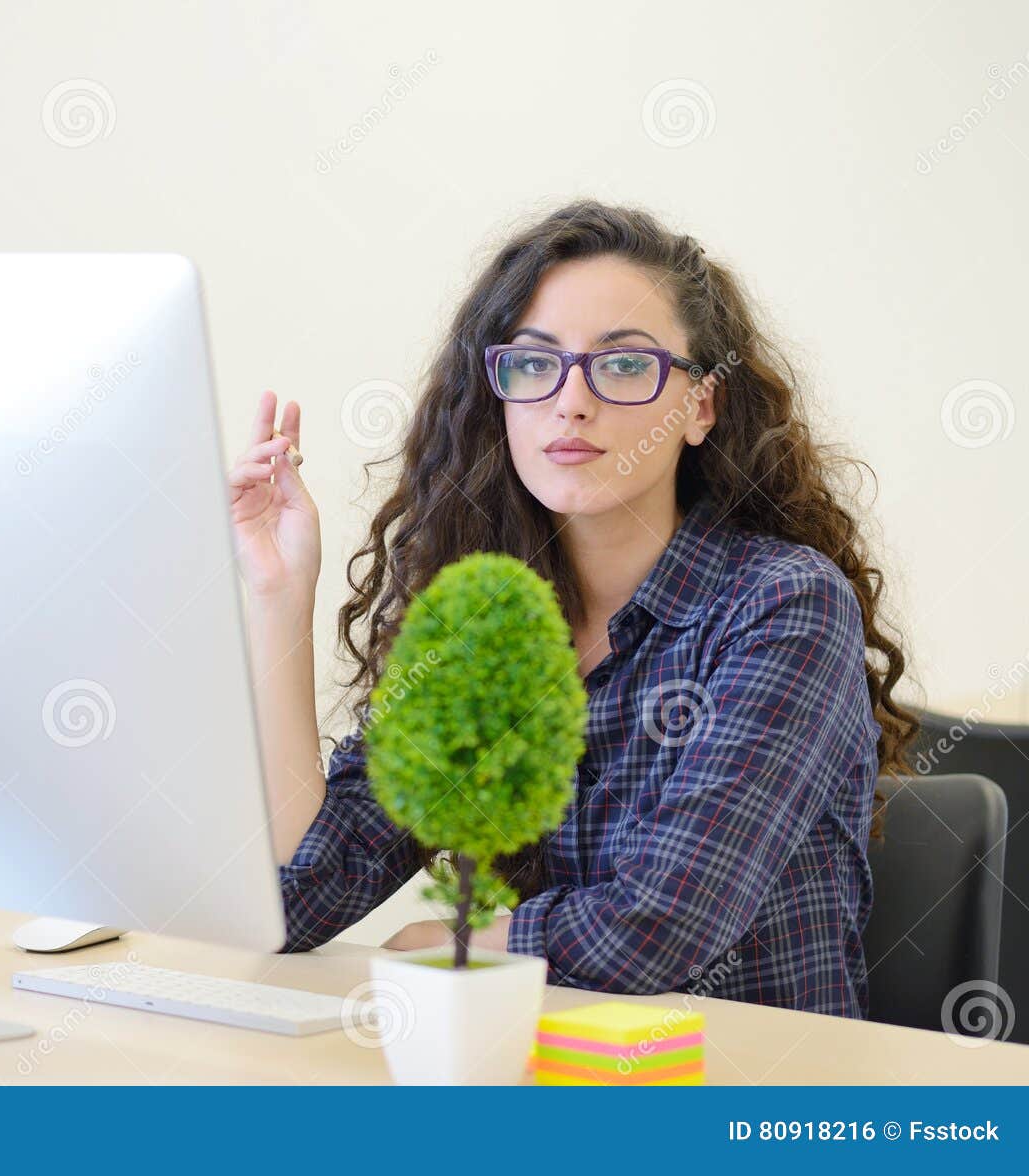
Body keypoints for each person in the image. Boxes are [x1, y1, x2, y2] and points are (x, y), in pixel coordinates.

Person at [227, 199, 917, 1018]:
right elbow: (300, 902)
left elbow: (660, 927)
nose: (571, 402)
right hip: (543, 1088)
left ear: (701, 405)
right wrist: (278, 600)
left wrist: (456, 946)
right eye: (535, 363)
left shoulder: (780, 605)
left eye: (624, 366)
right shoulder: (486, 627)